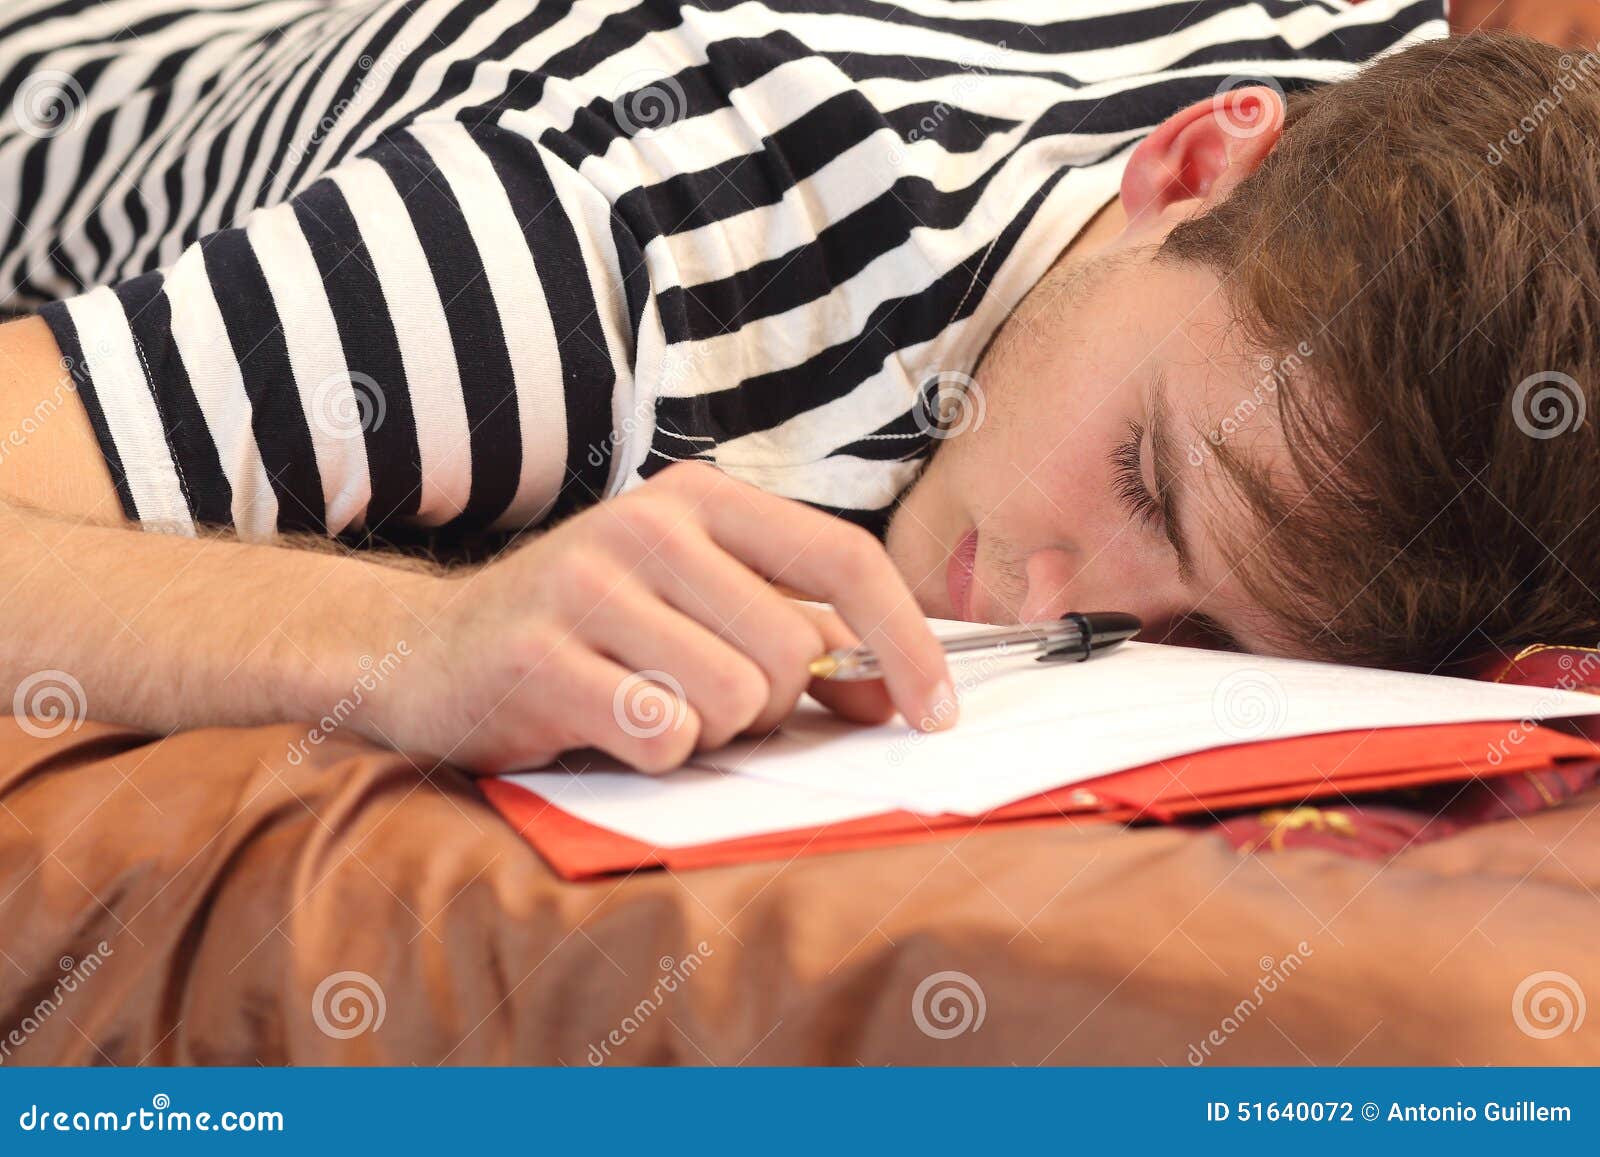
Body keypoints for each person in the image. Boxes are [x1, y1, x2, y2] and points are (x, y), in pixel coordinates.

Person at [0, 0, 1593, 774]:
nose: (1061, 612)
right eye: (1143, 482)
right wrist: (409, 644)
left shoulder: (1410, 121)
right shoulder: (603, 240)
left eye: (1209, 642)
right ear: (1188, 165)